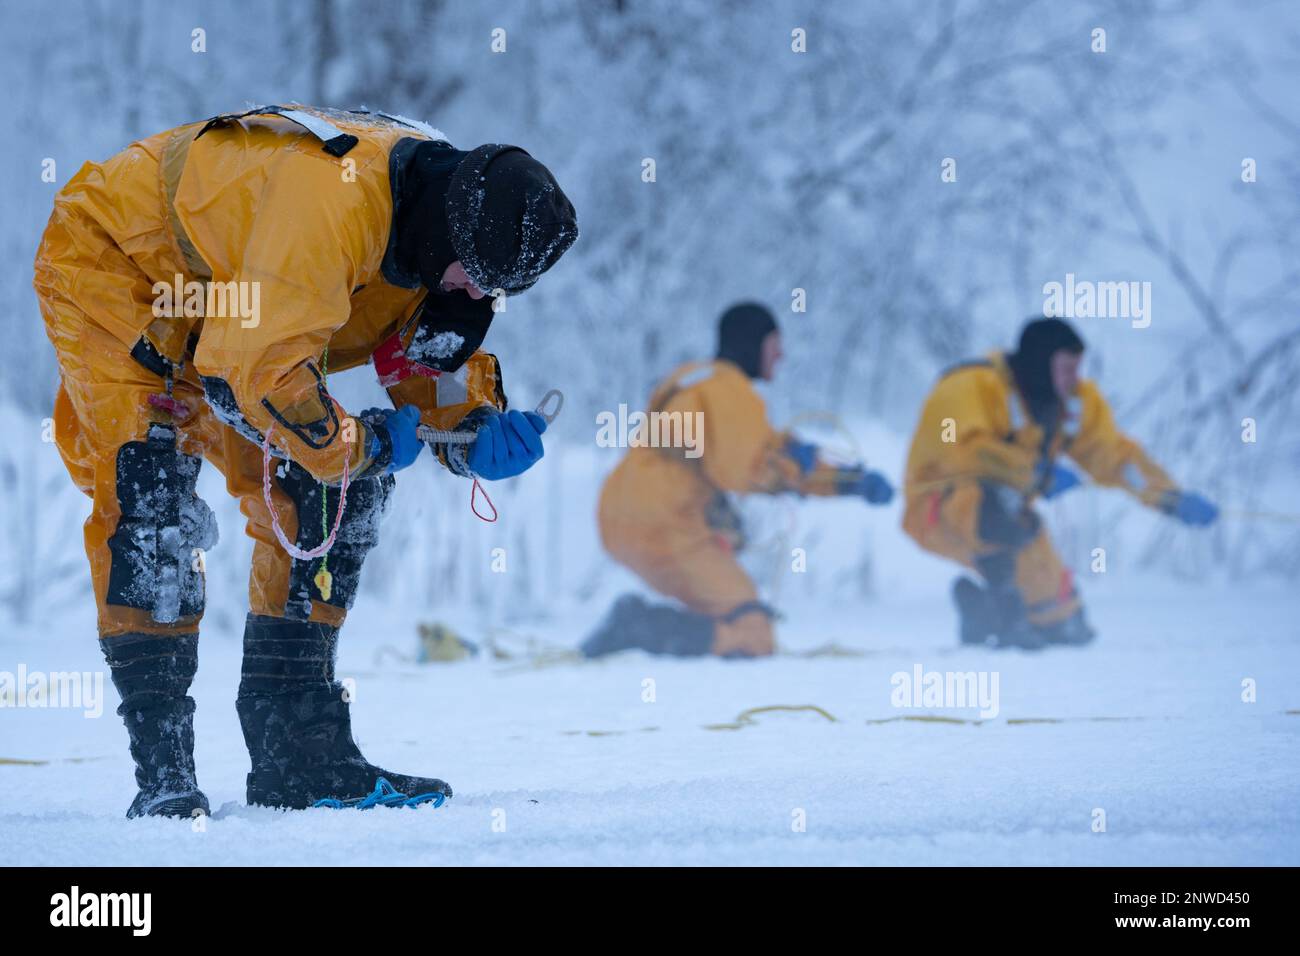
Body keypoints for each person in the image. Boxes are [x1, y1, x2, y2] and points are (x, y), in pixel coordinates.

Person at [34, 104, 578, 817]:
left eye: (495, 291)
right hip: (126, 265)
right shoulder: (332, 206)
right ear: (451, 234)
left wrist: (468, 422)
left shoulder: (443, 214)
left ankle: (301, 757)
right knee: (153, 493)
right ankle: (163, 778)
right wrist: (363, 444)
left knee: (324, 494)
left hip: (244, 302)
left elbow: (412, 343)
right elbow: (256, 373)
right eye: (475, 278)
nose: (478, 296)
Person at [583, 302, 894, 659]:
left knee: (719, 613)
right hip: (665, 522)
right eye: (774, 344)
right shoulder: (730, 390)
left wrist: (845, 480)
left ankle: (644, 626)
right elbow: (746, 469)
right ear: (753, 343)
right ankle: (638, 625)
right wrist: (796, 467)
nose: (782, 355)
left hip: (619, 514)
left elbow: (758, 448)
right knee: (753, 632)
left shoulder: (694, 380)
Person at [901, 317, 1218, 650]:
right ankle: (1006, 605)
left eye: (1077, 369)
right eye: (1066, 368)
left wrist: (1169, 497)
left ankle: (983, 613)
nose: (1073, 379)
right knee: (989, 502)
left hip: (1013, 517)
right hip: (938, 509)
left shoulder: (1072, 403)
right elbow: (962, 451)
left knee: (1060, 622)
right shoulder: (970, 386)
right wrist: (1036, 473)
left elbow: (1112, 456)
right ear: (1039, 363)